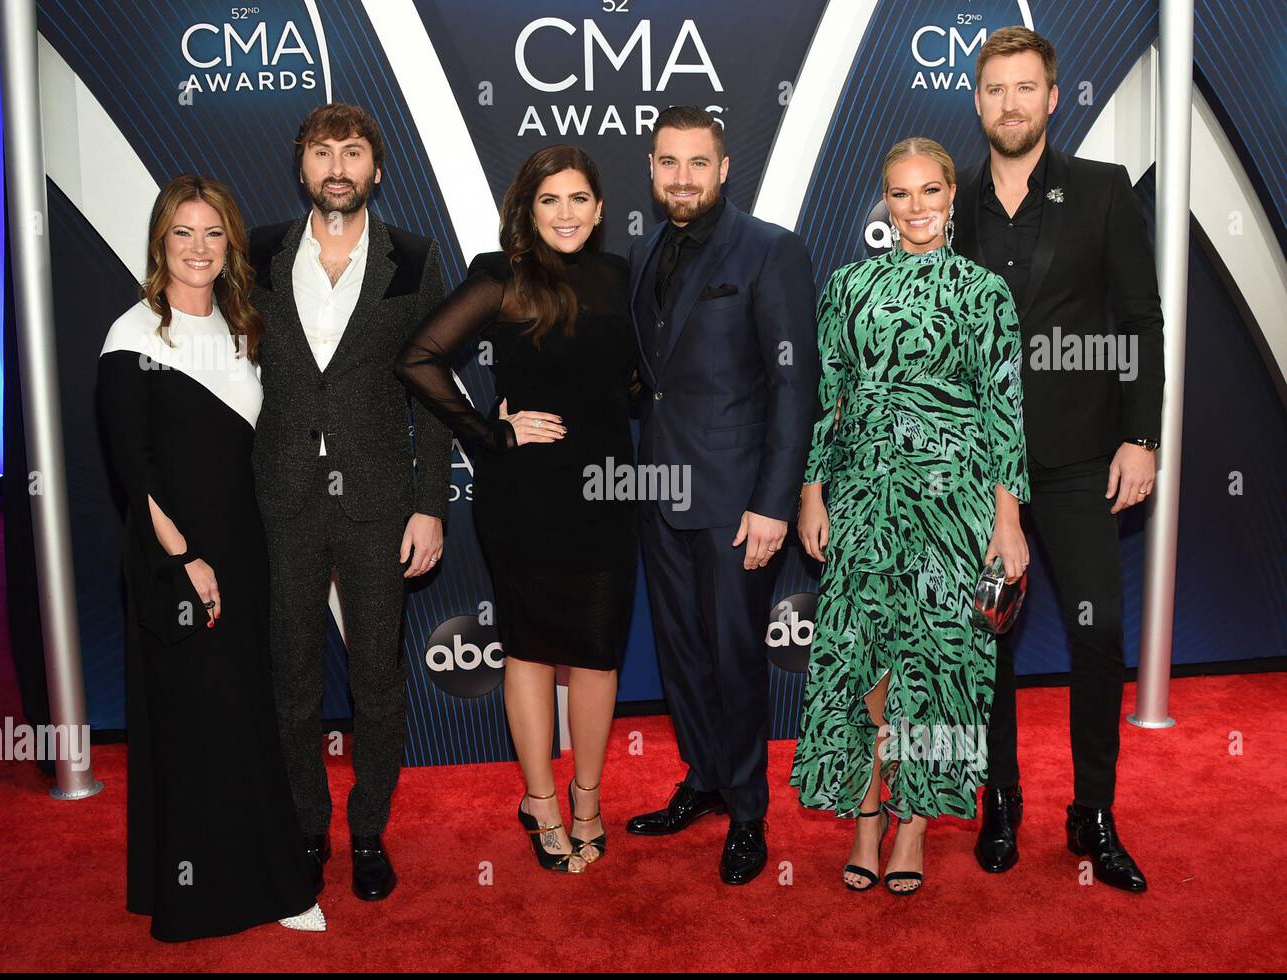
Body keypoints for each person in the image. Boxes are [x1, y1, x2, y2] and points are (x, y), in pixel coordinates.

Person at [792, 139, 1030, 896]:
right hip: (864, 497)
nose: (918, 207)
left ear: (953, 195)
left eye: (930, 191)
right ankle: (867, 814)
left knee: (940, 664)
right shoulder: (847, 286)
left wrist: (1008, 518)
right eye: (902, 194)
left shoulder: (985, 292)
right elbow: (828, 397)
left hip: (954, 505)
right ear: (884, 202)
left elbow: (1004, 411)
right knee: (865, 659)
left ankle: (916, 823)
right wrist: (811, 490)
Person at [955, 27, 1163, 891]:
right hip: (977, 468)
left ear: (1051, 97)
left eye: (1025, 87)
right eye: (995, 88)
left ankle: (1095, 811)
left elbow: (1142, 319)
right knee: (989, 640)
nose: (1010, 102)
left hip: (1081, 457)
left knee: (1098, 633)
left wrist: (1141, 436)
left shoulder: (1105, 191)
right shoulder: (949, 203)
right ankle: (999, 800)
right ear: (977, 101)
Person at [396, 145, 637, 874]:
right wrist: (490, 431)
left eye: (578, 199)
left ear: (598, 209)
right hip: (525, 492)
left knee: (597, 654)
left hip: (609, 489)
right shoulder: (500, 276)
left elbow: (629, 380)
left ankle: (588, 796)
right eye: (549, 200)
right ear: (527, 212)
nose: (565, 213)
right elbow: (418, 357)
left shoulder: (621, 277)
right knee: (530, 648)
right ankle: (539, 798)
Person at [98, 173, 324, 940]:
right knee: (195, 720)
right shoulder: (132, 336)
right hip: (179, 559)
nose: (198, 248)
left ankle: (268, 876)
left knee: (246, 714)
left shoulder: (242, 331)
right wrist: (185, 557)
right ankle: (202, 892)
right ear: (160, 244)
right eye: (182, 234)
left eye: (212, 234)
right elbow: (137, 469)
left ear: (230, 245)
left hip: (245, 548)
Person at [248, 104, 452, 901]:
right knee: (291, 675)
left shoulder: (413, 258)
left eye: (354, 152)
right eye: (323, 152)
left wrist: (430, 504)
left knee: (377, 675)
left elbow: (432, 391)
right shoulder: (259, 252)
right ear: (301, 166)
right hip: (283, 498)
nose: (338, 166)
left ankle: (368, 829)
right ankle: (308, 827)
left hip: (378, 502)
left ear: (377, 167)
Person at [624, 106, 820, 885]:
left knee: (737, 658)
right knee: (683, 654)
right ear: (652, 167)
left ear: (724, 167)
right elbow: (654, 378)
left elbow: (794, 384)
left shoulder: (771, 250)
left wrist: (774, 502)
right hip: (660, 490)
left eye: (696, 162)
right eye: (668, 162)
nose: (681, 177)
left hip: (741, 499)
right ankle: (704, 779)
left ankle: (747, 810)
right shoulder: (644, 250)